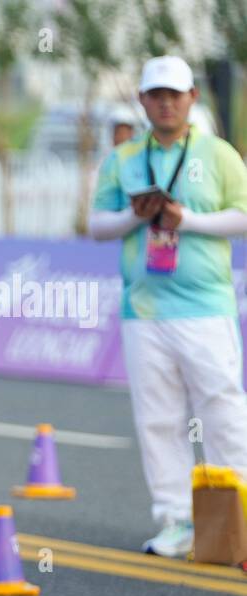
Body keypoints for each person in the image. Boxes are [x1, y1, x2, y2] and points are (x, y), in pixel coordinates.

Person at [89, 55, 247, 557]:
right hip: (145, 309)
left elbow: (243, 215)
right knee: (157, 418)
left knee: (222, 409)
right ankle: (176, 519)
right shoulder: (123, 158)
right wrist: (137, 217)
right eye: (156, 94)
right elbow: (96, 225)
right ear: (142, 100)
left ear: (192, 98)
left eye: (175, 94)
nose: (166, 102)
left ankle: (238, 519)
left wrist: (187, 220)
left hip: (204, 305)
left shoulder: (218, 154)